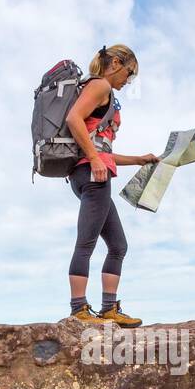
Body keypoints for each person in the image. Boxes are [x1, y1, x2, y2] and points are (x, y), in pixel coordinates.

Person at [64, 44, 158, 326]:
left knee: (118, 245)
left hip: (92, 173)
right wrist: (94, 160)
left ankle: (109, 309)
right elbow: (73, 119)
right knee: (87, 243)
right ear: (116, 62)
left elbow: (101, 148)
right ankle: (79, 310)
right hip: (92, 175)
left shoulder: (100, 90)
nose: (128, 81)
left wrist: (139, 160)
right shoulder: (100, 86)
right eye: (129, 73)